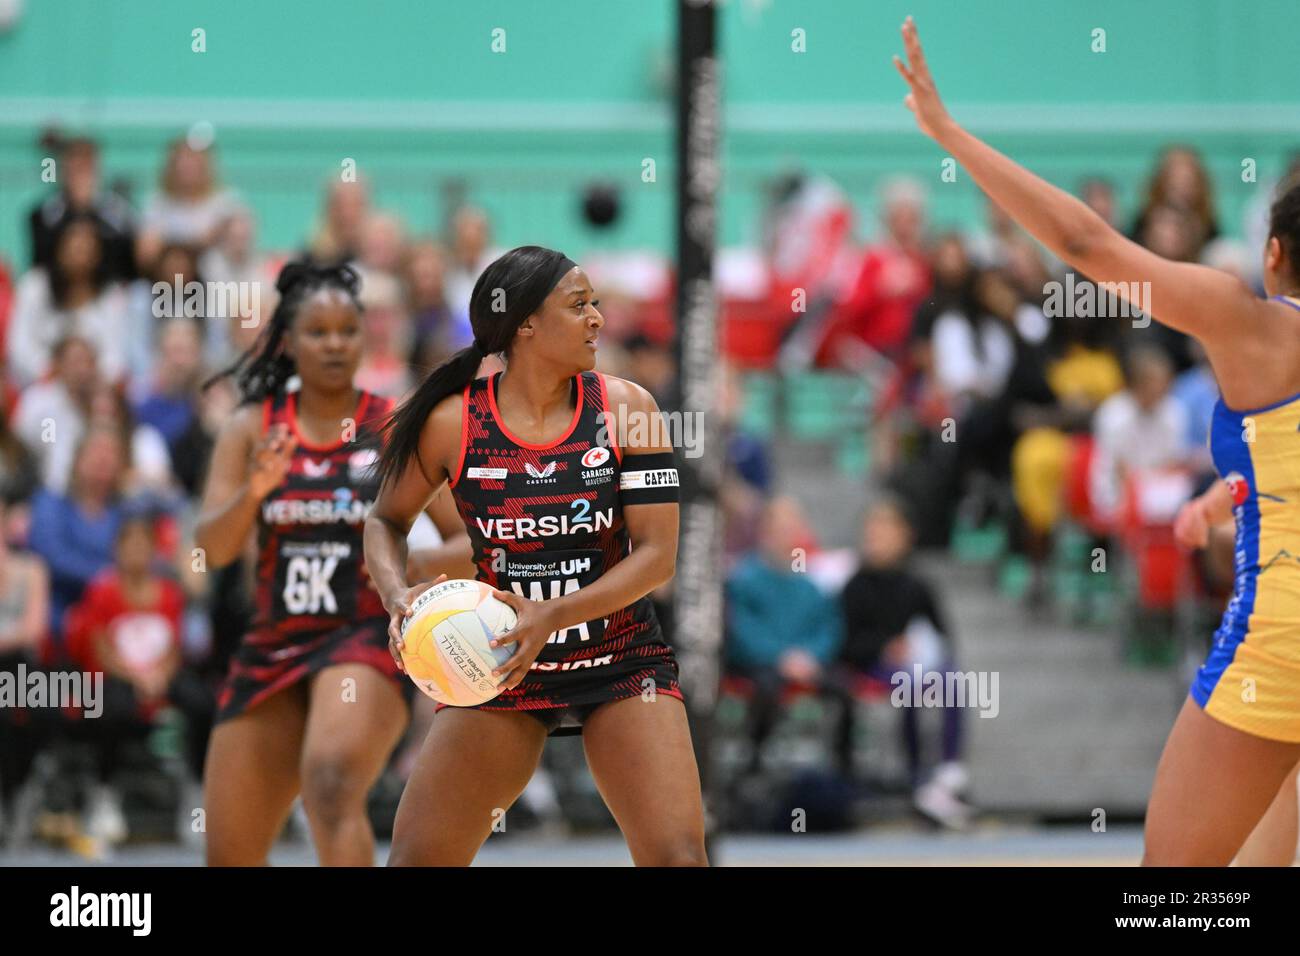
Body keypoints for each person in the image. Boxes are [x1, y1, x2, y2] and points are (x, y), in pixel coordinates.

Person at [893, 16, 1300, 865]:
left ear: (1273, 253)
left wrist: (949, 133)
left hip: (1282, 651)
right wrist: (1223, 495)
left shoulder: (1254, 327)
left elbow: (1086, 245)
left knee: (1174, 895)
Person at [365, 245, 707, 866]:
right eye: (579, 306)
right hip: (498, 663)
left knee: (679, 858)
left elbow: (658, 558)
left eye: (596, 304)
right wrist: (396, 598)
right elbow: (386, 521)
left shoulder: (629, 410)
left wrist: (553, 614)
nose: (598, 318)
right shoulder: (453, 423)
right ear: (524, 324)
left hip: (621, 658)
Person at [195, 261, 425, 866]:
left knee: (328, 787)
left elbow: (472, 540)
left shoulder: (394, 425)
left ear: (364, 338)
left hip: (363, 637)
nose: (333, 344)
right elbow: (212, 549)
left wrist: (401, 565)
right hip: (274, 641)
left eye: (346, 331)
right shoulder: (252, 428)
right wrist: (253, 490)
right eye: (317, 332)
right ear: (290, 342)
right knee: (228, 853)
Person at [838, 495, 971, 827]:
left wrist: (921, 648)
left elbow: (942, 635)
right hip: (872, 667)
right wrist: (884, 648)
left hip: (917, 666)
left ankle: (948, 768)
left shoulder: (917, 584)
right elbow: (846, 644)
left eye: (885, 531)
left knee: (949, 678)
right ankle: (918, 776)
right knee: (909, 684)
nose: (877, 540)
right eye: (873, 532)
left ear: (904, 536)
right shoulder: (855, 587)